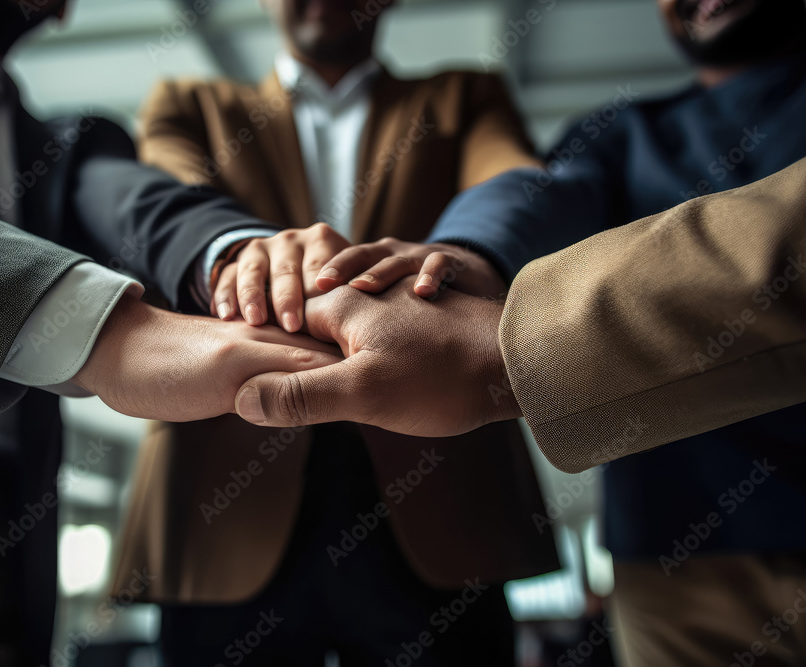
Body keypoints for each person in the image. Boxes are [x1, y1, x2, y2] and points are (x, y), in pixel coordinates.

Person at [277, 0, 806, 663]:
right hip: (680, 545)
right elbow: (538, 192)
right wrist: (471, 252)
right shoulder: (624, 133)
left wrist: (503, 348)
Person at [0, 1, 335, 664]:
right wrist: (112, 336)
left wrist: (231, 252)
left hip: (8, 520)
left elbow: (139, 203)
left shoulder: (66, 140)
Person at [109, 0, 557, 662]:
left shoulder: (466, 94)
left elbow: (515, 183)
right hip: (223, 499)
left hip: (439, 488)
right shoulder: (187, 102)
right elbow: (164, 213)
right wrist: (235, 252)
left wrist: (467, 250)